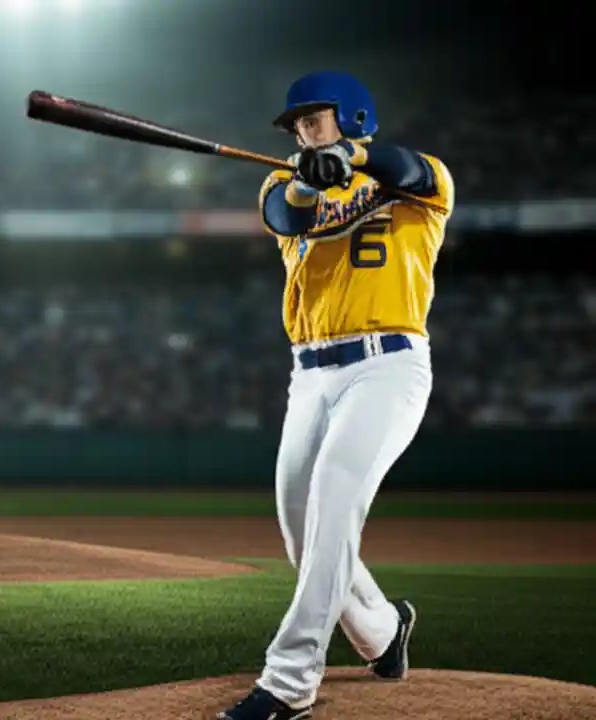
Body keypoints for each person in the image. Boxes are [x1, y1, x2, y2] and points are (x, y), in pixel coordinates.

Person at [216, 71, 456, 720]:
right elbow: (283, 211)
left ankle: (290, 681)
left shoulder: (421, 181)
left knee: (332, 501)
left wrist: (351, 158)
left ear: (351, 118)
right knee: (301, 530)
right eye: (295, 127)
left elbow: (412, 170)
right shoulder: (281, 183)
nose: (299, 133)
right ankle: (382, 632)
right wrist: (306, 175)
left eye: (312, 121)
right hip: (310, 374)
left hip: (388, 367)